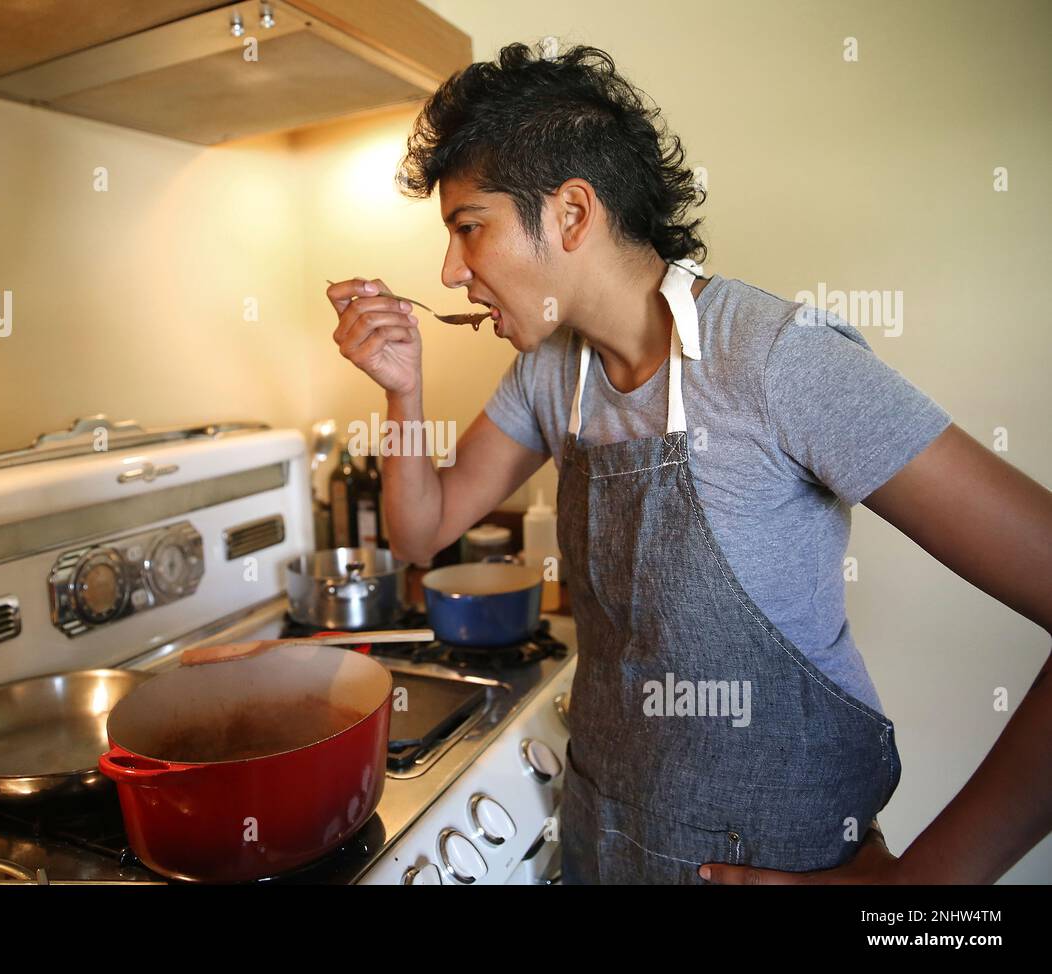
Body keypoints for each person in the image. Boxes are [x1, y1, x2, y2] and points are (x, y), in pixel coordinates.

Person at [325, 42, 1052, 884]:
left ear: (570, 213)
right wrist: (402, 394)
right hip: (605, 837)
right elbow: (421, 535)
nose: (452, 272)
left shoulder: (780, 360)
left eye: (468, 228)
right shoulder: (549, 370)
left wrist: (920, 892)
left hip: (780, 855)